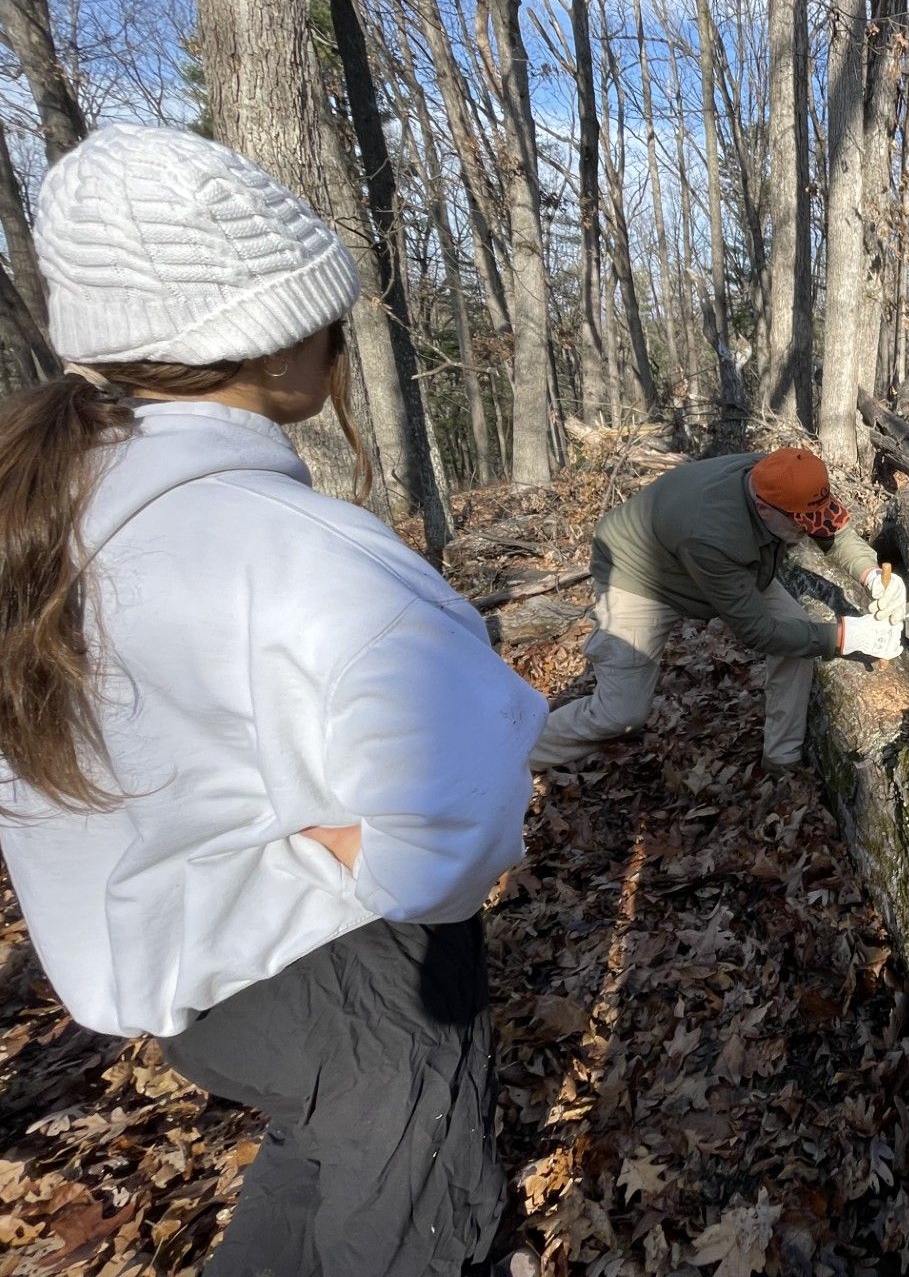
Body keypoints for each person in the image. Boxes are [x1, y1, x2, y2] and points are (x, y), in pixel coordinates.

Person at [0, 125, 546, 1276]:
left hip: (184, 986)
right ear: (272, 332)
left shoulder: (53, 520)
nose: (337, 343)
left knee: (314, 1149)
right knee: (409, 1223)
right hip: (341, 976)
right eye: (327, 315)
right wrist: (352, 850)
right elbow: (457, 826)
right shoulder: (301, 552)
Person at [529, 448, 907, 773]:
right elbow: (756, 632)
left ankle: (782, 760)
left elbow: (832, 532)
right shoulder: (710, 533)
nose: (808, 530)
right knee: (619, 714)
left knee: (796, 630)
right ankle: (520, 753)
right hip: (637, 575)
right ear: (764, 508)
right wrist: (844, 636)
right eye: (799, 524)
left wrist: (872, 575)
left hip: (721, 561)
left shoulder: (782, 477)